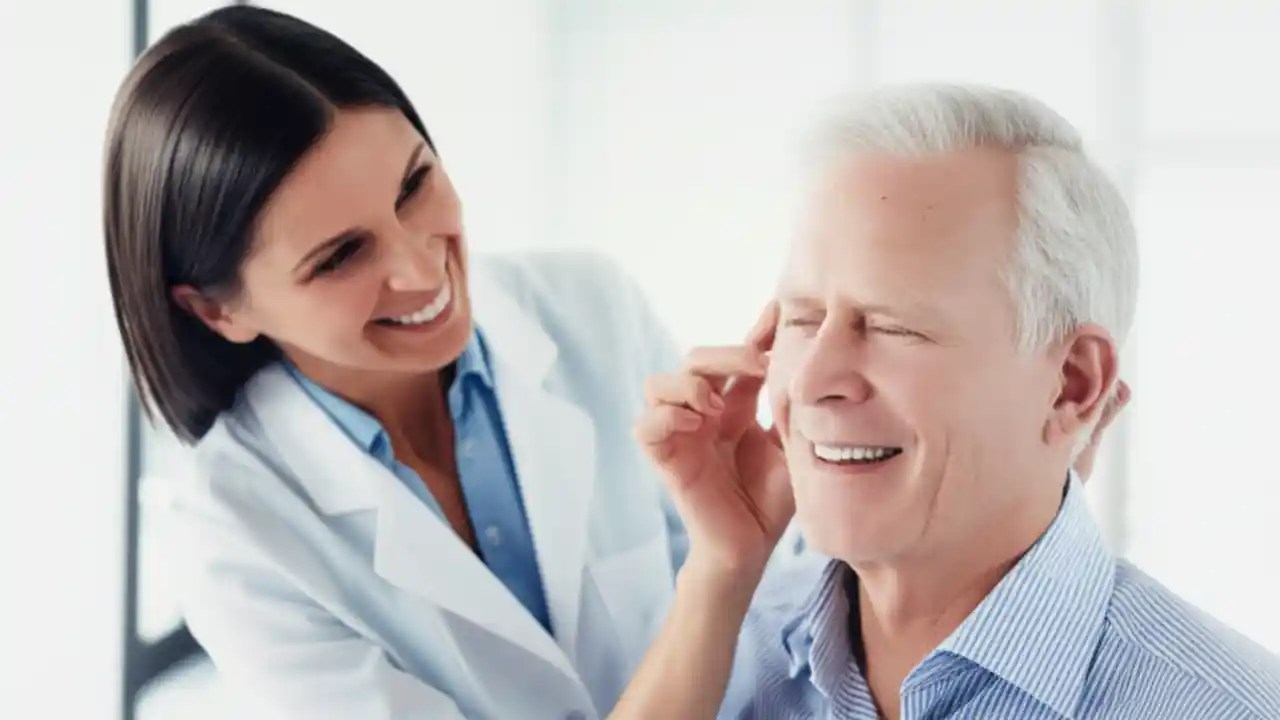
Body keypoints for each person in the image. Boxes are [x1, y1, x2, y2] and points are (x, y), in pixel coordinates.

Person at [615, 84, 1280, 719]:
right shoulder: (715, 647)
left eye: (895, 326)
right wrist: (720, 574)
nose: (813, 378)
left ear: (1072, 385)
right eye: (802, 318)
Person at [103, 7, 691, 719]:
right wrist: (725, 567)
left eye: (414, 185)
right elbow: (726, 573)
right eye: (340, 256)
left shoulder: (591, 307)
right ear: (217, 310)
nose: (420, 269)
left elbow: (777, 619)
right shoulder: (233, 534)